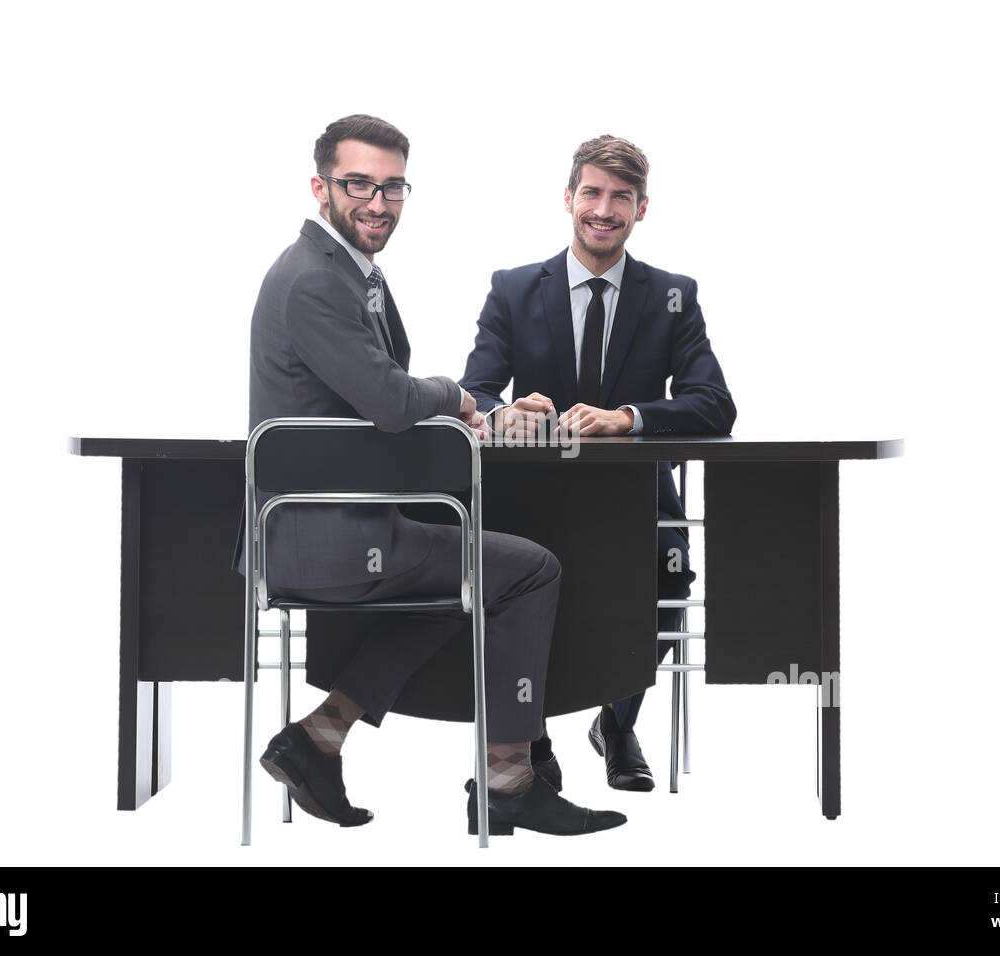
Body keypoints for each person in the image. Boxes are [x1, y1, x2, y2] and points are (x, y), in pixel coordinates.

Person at [242, 114, 625, 836]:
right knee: (527, 569)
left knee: (467, 578)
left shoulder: (342, 273)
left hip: (331, 535)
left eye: (392, 186)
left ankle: (320, 737)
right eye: (359, 183)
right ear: (320, 186)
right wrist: (458, 398)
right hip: (331, 541)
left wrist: (480, 411)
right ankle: (509, 778)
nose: (377, 202)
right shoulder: (314, 283)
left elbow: (374, 392)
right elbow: (389, 399)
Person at [459, 135, 736, 791]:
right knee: (526, 594)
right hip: (535, 497)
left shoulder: (672, 295)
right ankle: (532, 735)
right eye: (593, 192)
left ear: (641, 209)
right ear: (568, 198)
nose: (604, 209)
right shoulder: (514, 288)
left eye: (621, 197)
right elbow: (475, 390)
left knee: (671, 585)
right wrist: (501, 415)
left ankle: (616, 720)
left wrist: (631, 417)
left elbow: (714, 404)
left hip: (637, 497)